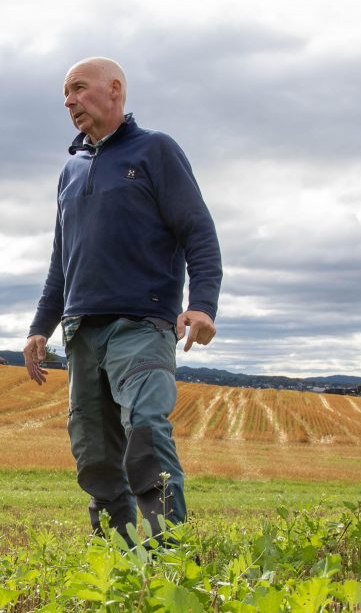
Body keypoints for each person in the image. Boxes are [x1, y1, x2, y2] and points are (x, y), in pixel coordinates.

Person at [24, 57, 222, 545]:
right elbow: (61, 259)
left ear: (115, 90)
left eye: (78, 89)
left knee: (144, 436)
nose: (69, 101)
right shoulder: (70, 170)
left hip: (142, 325)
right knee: (94, 453)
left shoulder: (155, 150)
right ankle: (119, 553)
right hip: (81, 331)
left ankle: (166, 555)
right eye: (65, 95)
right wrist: (39, 328)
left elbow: (198, 230)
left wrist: (203, 304)